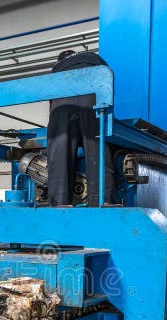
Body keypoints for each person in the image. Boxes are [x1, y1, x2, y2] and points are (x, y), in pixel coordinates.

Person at [47, 49, 114, 207]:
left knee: (59, 155)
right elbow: (108, 83)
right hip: (93, 95)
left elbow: (50, 101)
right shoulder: (93, 58)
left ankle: (59, 205)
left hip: (62, 102)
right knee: (98, 150)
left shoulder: (58, 67)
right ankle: (102, 203)